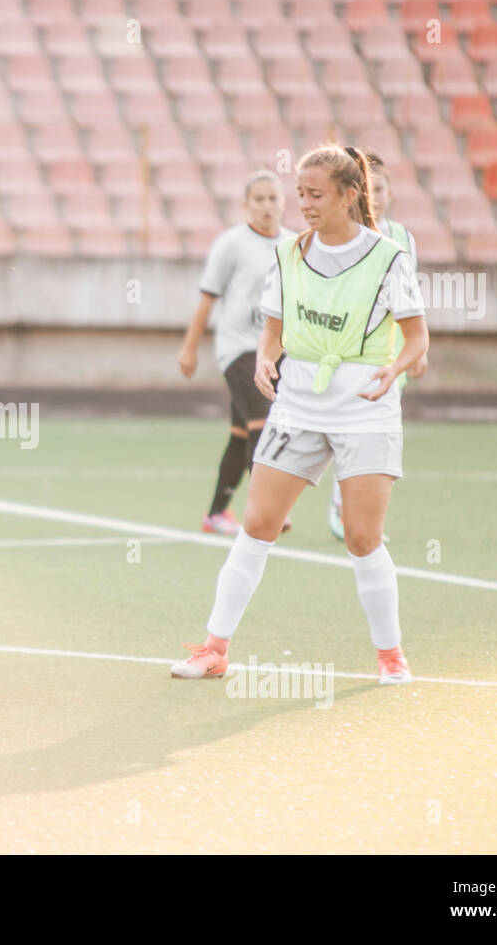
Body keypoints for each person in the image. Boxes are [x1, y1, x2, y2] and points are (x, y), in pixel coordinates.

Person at [170, 144, 429, 685]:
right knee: (259, 523)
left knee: (362, 536)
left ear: (349, 196)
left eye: (315, 195)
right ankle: (214, 648)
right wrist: (266, 360)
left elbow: (417, 340)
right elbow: (272, 329)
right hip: (298, 406)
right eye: (300, 195)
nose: (303, 205)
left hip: (365, 411)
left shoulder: (388, 257)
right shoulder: (289, 254)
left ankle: (390, 657)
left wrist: (393, 369)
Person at [178, 170, 293, 535]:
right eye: (258, 199)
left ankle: (215, 513)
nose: (267, 206)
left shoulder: (294, 244)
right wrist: (189, 348)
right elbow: (207, 297)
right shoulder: (231, 243)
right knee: (263, 424)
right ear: (246, 206)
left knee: (240, 432)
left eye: (273, 198)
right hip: (240, 349)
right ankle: (269, 511)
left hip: (276, 349)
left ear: (284, 203)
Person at [325, 151, 429, 540]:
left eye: (380, 187)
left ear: (390, 192)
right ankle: (343, 506)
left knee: (379, 435)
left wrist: (421, 349)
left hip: (392, 355)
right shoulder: (341, 237)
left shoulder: (402, 238)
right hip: (350, 353)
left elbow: (411, 296)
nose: (374, 194)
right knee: (350, 430)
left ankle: (362, 514)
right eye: (368, 188)